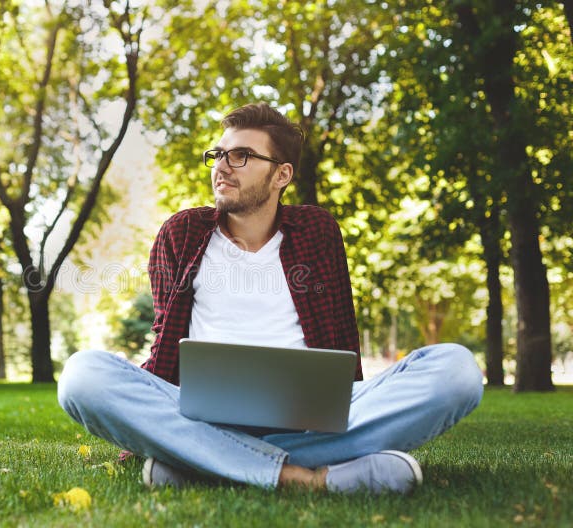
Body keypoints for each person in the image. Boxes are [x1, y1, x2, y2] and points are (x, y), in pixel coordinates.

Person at [57, 103, 483, 494]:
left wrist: (342, 405)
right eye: (218, 154)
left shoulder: (317, 231)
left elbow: (340, 333)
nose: (222, 167)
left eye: (240, 156)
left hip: (309, 423)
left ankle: (202, 464)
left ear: (281, 175)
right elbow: (165, 341)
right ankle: (306, 478)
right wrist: (144, 405)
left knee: (457, 371)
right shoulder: (182, 233)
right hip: (204, 417)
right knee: (82, 375)